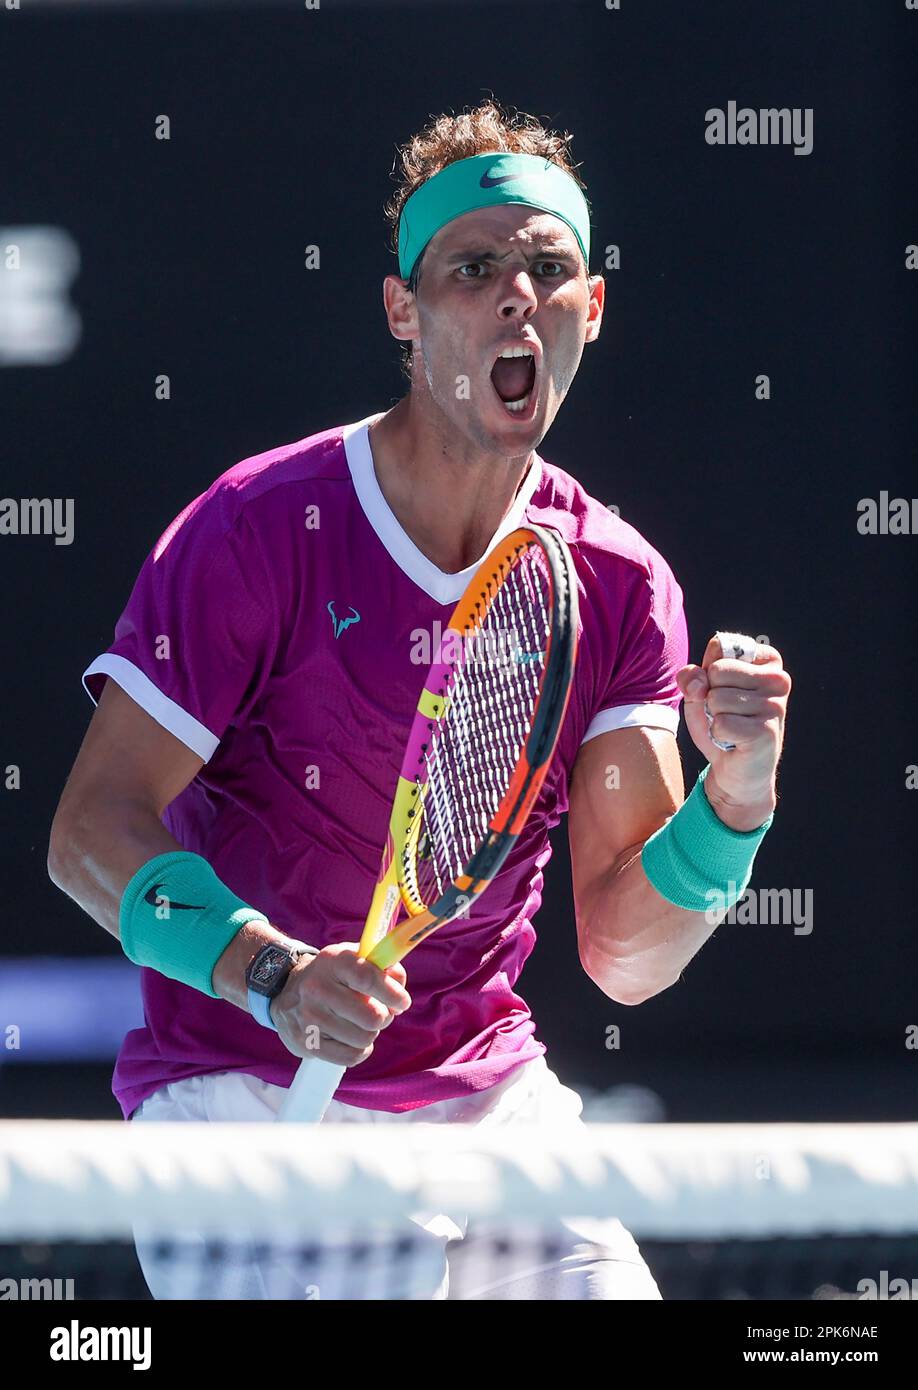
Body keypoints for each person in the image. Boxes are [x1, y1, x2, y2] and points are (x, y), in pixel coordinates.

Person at [47, 99, 791, 1300]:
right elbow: (88, 833)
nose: (515, 293)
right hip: (236, 1097)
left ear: (588, 311)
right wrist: (272, 972)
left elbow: (625, 954)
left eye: (548, 267)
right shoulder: (258, 526)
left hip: (491, 1105)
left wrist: (735, 801)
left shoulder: (614, 582)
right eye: (473, 267)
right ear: (403, 308)